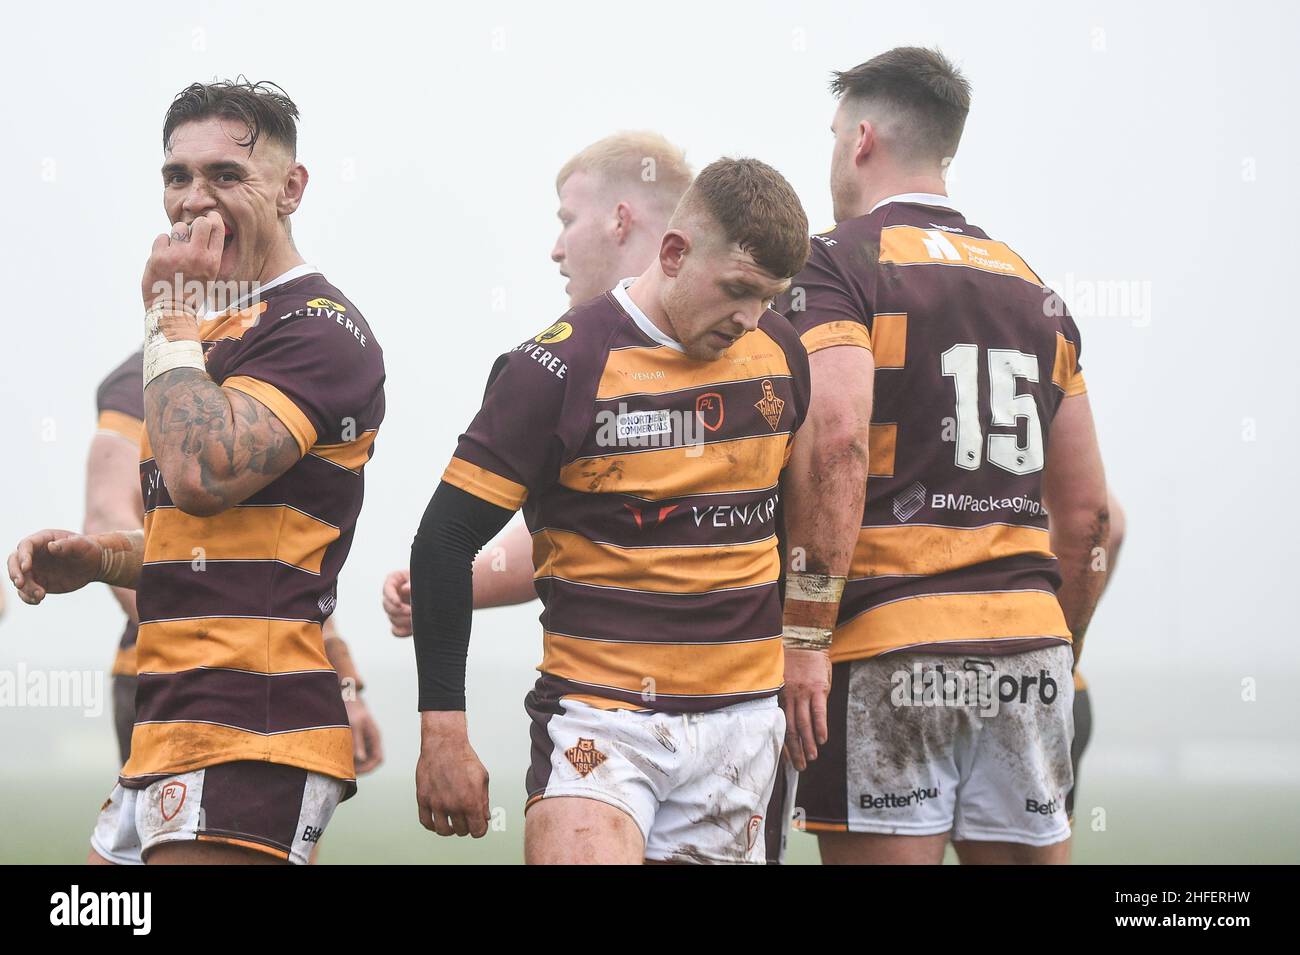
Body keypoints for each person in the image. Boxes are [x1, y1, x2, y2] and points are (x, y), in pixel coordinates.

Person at [8, 79, 385, 864]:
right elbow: (214, 539)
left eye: (224, 175)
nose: (192, 200)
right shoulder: (195, 339)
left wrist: (166, 311)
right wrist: (103, 557)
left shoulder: (319, 328)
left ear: (291, 188)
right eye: (176, 176)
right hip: (167, 722)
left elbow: (204, 474)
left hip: (254, 725)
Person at [410, 158, 811, 863]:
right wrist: (443, 730)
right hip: (602, 721)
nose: (750, 317)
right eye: (739, 290)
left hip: (743, 728)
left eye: (769, 298)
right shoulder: (556, 368)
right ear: (676, 253)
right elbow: (444, 539)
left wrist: (810, 644)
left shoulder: (778, 352)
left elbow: (801, 518)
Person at [779, 47, 1111, 864]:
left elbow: (838, 442)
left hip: (890, 646)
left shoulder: (835, 263)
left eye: (831, 135)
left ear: (861, 139)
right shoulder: (1034, 288)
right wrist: (1051, 651)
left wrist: (805, 634)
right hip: (1029, 653)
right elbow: (1091, 515)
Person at [381, 132, 694, 631]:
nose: (555, 250)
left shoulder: (744, 344)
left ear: (620, 219)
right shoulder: (570, 358)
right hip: (608, 699)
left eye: (567, 220)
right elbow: (565, 528)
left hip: (734, 690)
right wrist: (441, 589)